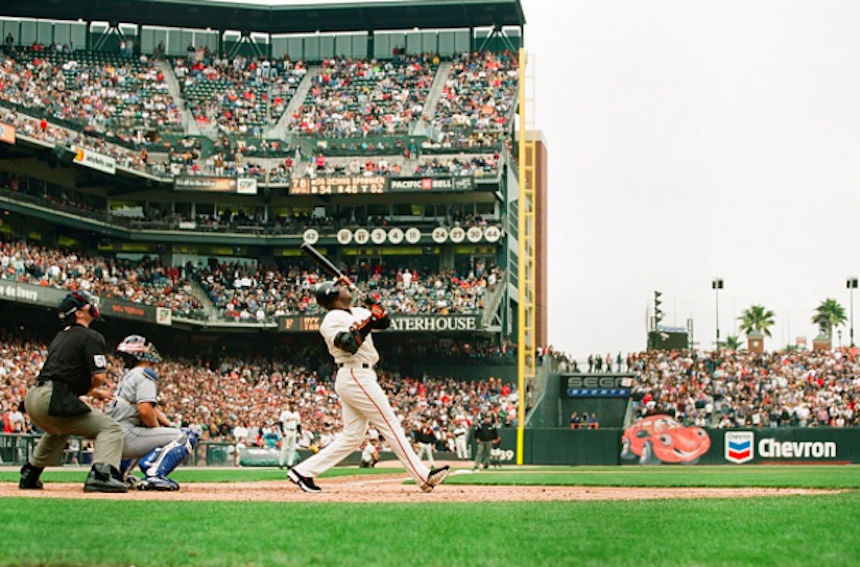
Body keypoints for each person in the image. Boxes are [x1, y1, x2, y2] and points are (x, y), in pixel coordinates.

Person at [287, 279, 450, 493]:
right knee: (390, 423)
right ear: (332, 295)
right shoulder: (331, 319)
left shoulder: (358, 311)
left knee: (353, 436)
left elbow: (384, 323)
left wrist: (376, 308)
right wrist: (370, 320)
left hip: (361, 375)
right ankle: (422, 476)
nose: (346, 288)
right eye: (341, 287)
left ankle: (303, 472)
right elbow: (349, 344)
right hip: (354, 373)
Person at [19, 291, 128, 493]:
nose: (91, 306)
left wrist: (92, 393)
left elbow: (63, 376)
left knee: (60, 428)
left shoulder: (61, 336)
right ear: (78, 313)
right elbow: (99, 377)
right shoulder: (91, 336)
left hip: (33, 397)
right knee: (110, 428)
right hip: (51, 397)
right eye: (87, 305)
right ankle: (100, 475)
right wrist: (93, 389)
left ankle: (30, 474)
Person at [106, 335, 199, 491]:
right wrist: (156, 428)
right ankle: (154, 475)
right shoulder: (145, 374)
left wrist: (168, 425)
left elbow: (150, 408)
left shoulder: (129, 375)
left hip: (111, 438)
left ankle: (119, 474)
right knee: (187, 435)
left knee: (147, 431)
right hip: (125, 436)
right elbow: (145, 410)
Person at [278, 403, 301, 469]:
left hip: (294, 431)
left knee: (292, 448)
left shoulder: (296, 414)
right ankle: (281, 464)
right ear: (289, 406)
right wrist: (282, 431)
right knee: (284, 448)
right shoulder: (285, 413)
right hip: (287, 430)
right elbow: (280, 422)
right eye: (291, 405)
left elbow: (298, 424)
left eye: (293, 405)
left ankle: (289, 464)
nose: (292, 406)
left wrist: (300, 433)